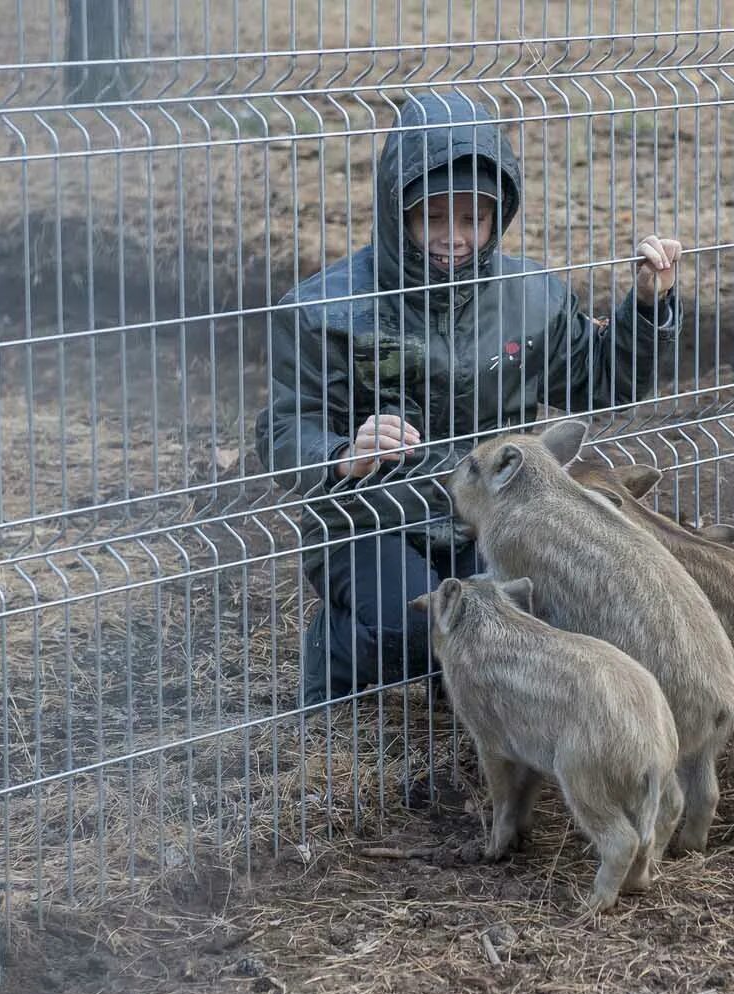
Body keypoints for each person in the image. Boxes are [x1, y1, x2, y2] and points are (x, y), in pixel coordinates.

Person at [255, 90, 683, 707]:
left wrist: (647, 308)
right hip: (372, 520)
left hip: (492, 516)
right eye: (432, 217)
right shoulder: (325, 311)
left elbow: (599, 381)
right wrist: (343, 452)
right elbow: (284, 427)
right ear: (394, 211)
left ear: (496, 215)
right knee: (413, 630)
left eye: (472, 218)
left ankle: (445, 677)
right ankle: (336, 658)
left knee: (558, 620)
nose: (453, 237)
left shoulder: (531, 298)